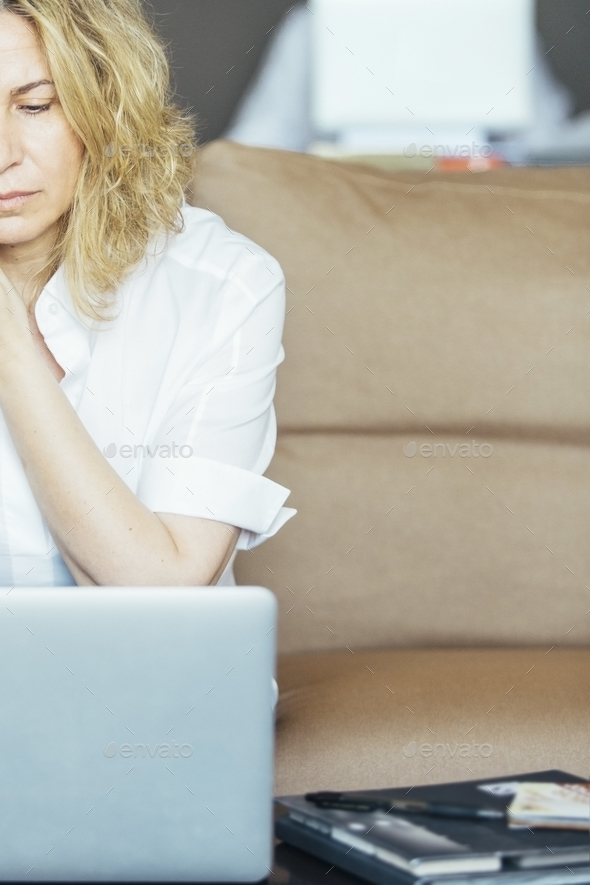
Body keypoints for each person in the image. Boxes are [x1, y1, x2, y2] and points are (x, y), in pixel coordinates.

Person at [0, 0, 297, 590]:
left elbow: (162, 593)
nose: (5, 154)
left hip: (149, 679)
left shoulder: (223, 287)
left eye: (35, 106)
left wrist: (9, 339)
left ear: (104, 106)